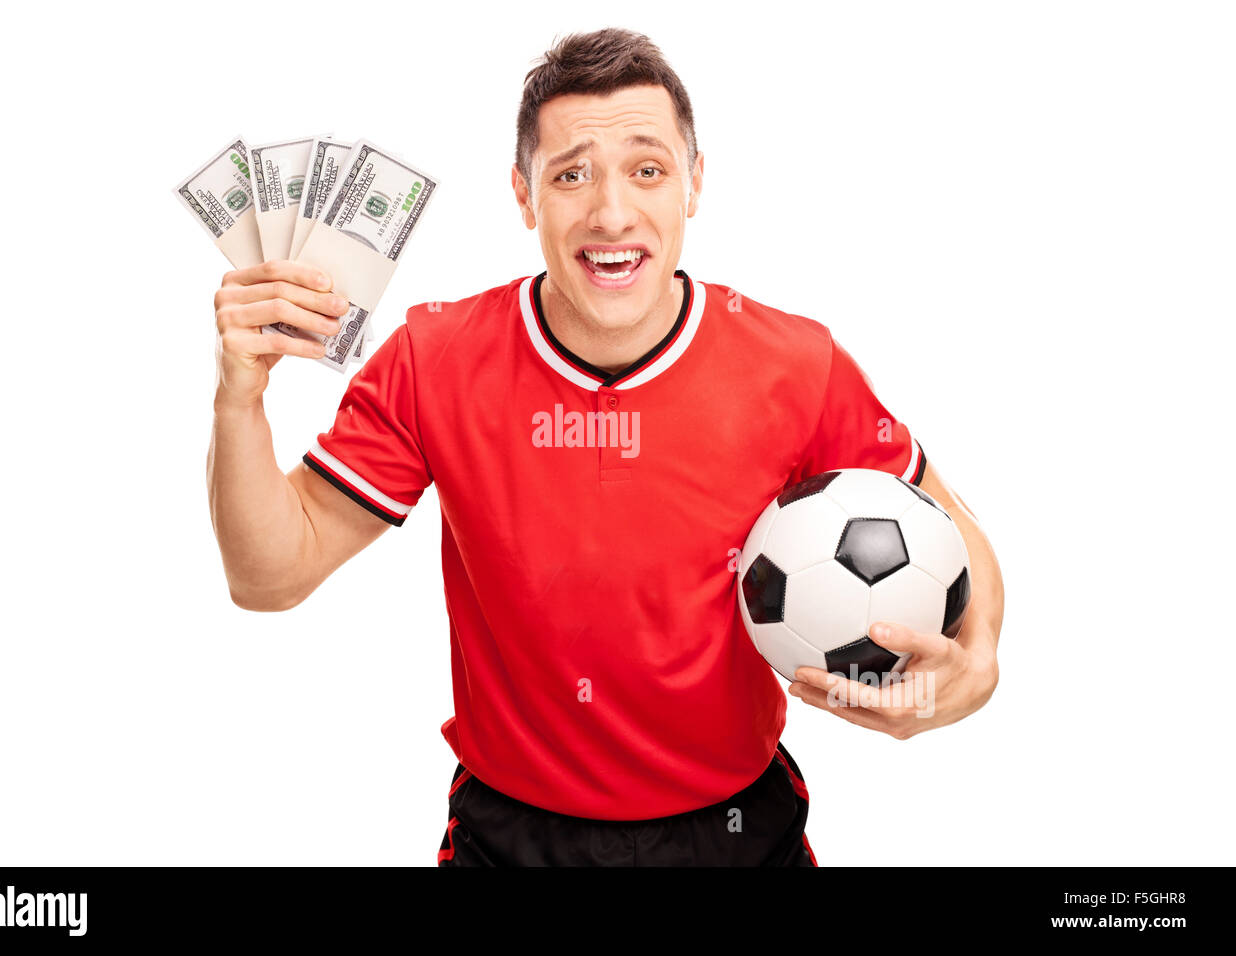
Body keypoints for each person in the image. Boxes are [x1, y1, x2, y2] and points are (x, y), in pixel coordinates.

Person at [207, 28, 1004, 866]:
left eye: (648, 169)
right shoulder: (434, 359)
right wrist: (239, 397)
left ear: (695, 183)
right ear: (525, 197)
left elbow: (949, 527)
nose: (612, 213)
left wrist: (978, 658)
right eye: (572, 173)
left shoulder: (796, 365)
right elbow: (269, 576)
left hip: (736, 831)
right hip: (511, 837)